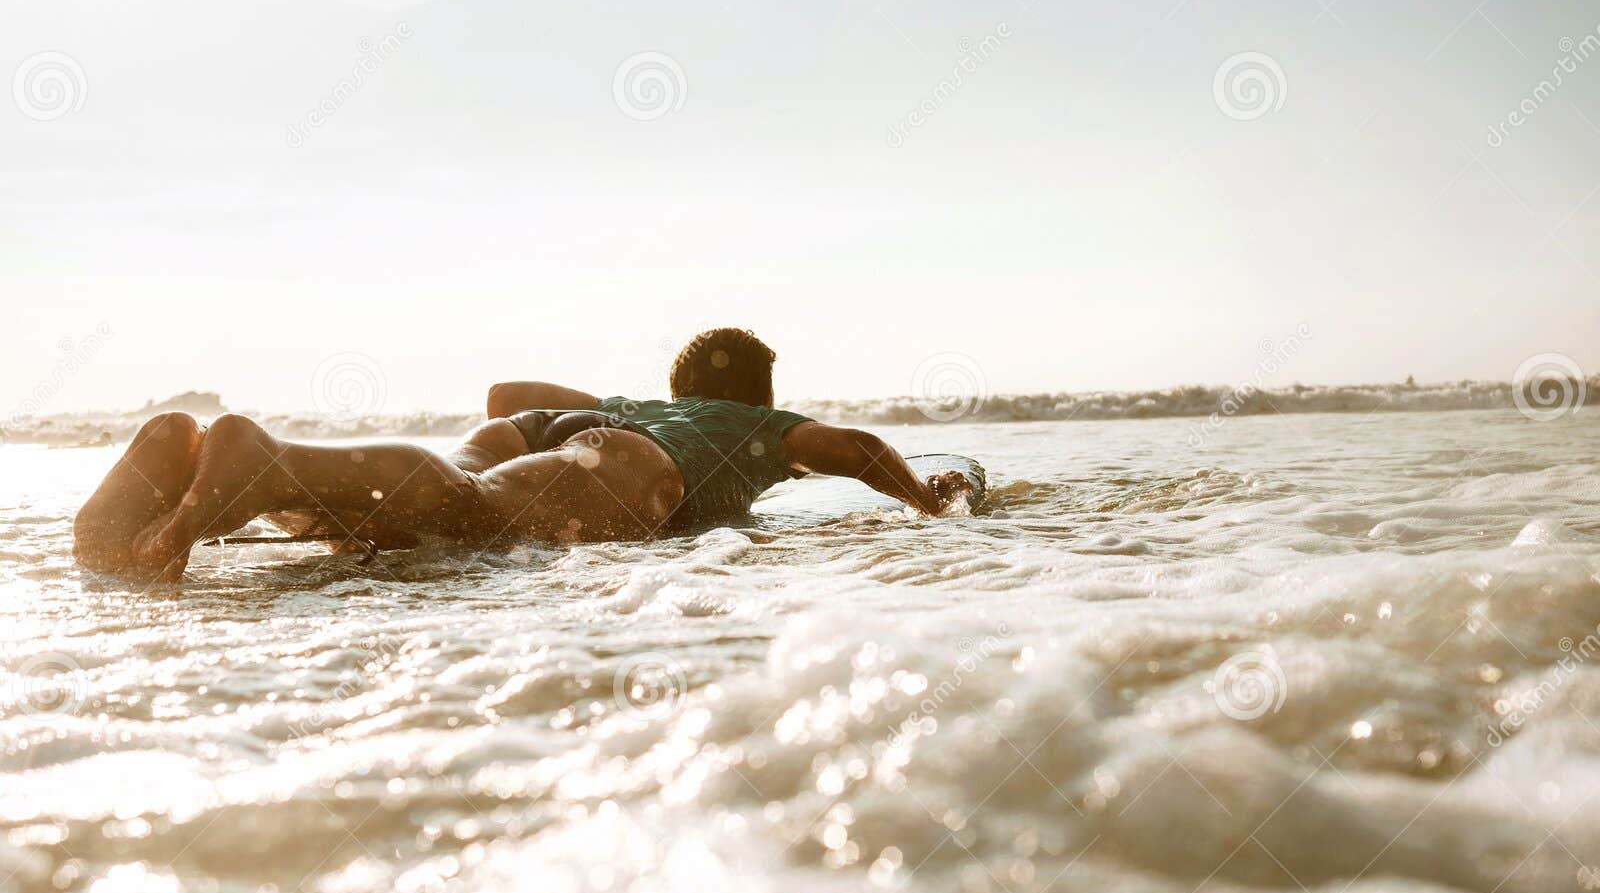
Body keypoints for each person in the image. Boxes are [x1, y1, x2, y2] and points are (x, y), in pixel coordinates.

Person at [72, 327, 973, 581]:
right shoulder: (756, 428)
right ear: (761, 401)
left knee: (437, 502)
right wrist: (928, 501)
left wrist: (589, 414)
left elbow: (504, 399)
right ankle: (259, 460)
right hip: (620, 465)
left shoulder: (647, 400)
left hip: (538, 437)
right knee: (468, 517)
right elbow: (851, 446)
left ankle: (200, 472)